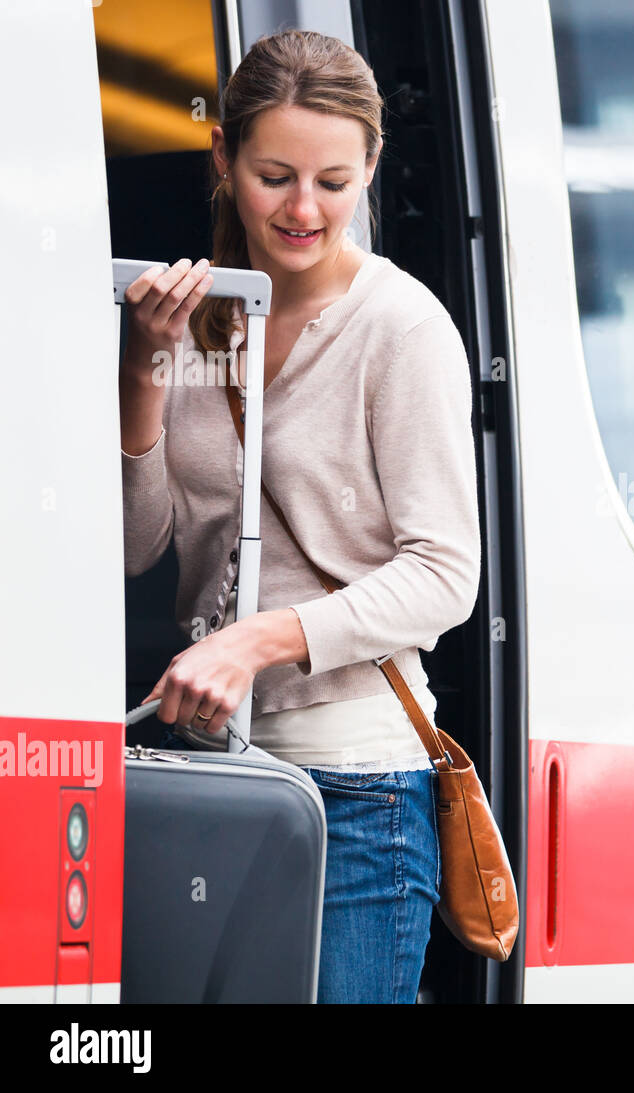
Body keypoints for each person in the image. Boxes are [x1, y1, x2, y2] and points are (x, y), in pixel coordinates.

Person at [118, 28, 481, 1004]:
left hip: (360, 794)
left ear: (371, 166)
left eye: (333, 180)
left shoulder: (399, 328)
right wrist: (145, 373)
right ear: (223, 158)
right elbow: (139, 543)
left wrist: (257, 641)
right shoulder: (194, 314)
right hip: (213, 772)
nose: (304, 209)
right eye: (275, 174)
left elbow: (447, 570)